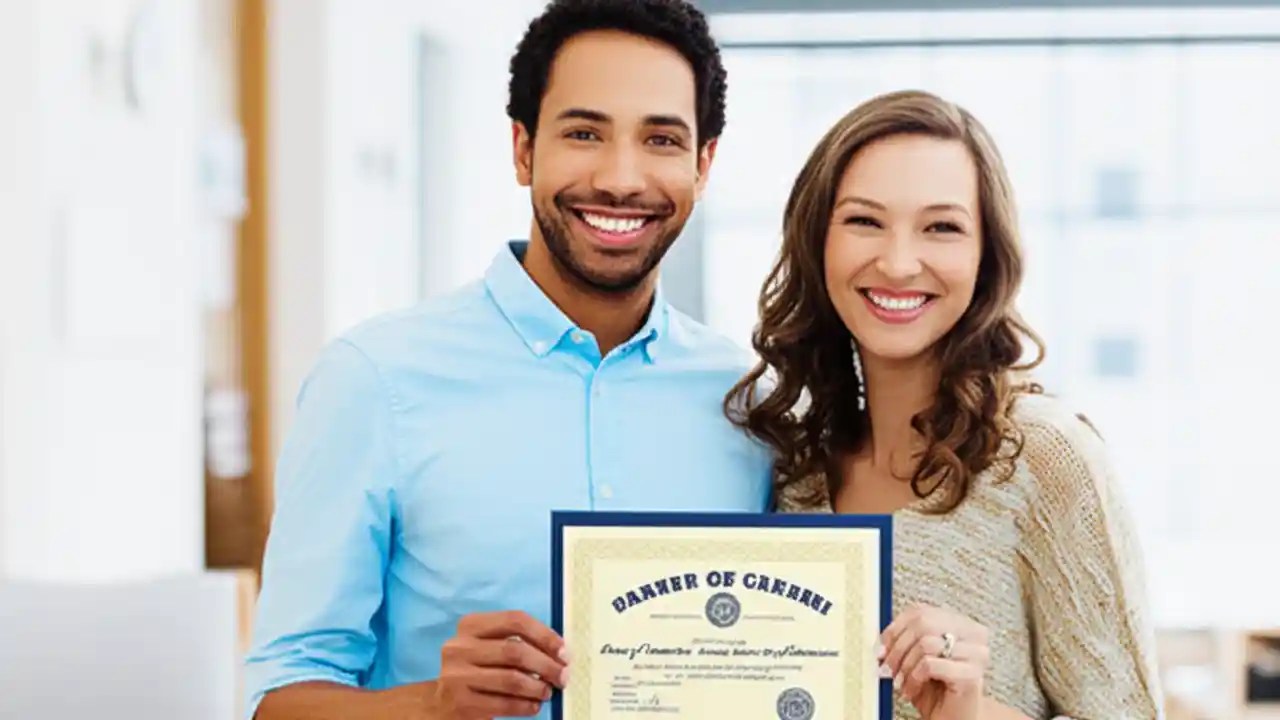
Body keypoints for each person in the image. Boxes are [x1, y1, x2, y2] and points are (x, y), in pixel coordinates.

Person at [243, 1, 773, 718]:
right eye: (584, 132)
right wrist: (433, 703)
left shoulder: (749, 404)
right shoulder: (373, 380)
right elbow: (277, 702)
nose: (621, 178)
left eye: (661, 140)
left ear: (703, 165)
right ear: (523, 148)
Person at [725, 90, 1165, 720]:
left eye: (942, 227)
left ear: (986, 257)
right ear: (816, 241)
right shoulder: (796, 475)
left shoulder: (1046, 458)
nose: (900, 262)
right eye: (864, 221)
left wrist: (970, 711)